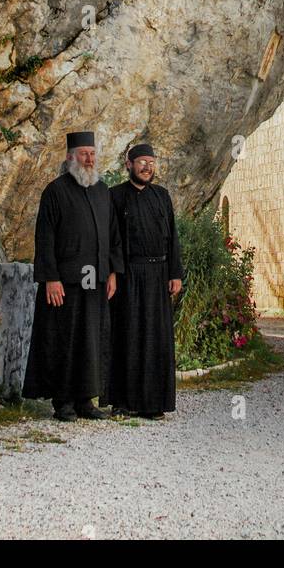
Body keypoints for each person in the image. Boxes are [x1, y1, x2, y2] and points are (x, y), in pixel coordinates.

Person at [22, 131, 123, 421]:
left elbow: (113, 237)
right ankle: (63, 402)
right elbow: (45, 237)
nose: (89, 159)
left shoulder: (103, 191)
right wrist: (50, 278)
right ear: (70, 157)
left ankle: (85, 400)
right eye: (83, 154)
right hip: (65, 283)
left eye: (92, 154)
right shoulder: (55, 191)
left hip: (96, 282)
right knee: (64, 341)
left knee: (91, 342)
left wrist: (113, 272)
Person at [109, 143, 184, 420]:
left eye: (151, 163)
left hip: (158, 276)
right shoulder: (114, 196)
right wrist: (113, 273)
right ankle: (122, 401)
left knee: (156, 339)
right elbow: (111, 240)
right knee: (126, 336)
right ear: (128, 164)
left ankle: (153, 403)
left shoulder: (162, 196)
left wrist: (175, 273)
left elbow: (172, 236)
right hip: (128, 275)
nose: (146, 167)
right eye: (141, 162)